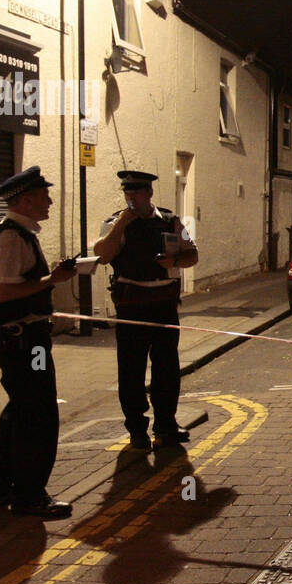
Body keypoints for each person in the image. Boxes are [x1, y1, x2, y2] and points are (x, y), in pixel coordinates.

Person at [0, 166, 74, 519]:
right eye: (44, 195)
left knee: (19, 411)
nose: (50, 201)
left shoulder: (20, 234)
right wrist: (53, 279)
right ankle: (29, 496)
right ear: (25, 199)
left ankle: (0, 488)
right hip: (23, 342)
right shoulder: (10, 238)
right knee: (38, 414)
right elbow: (3, 292)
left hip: (24, 339)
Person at [93, 170, 198, 451]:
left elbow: (193, 253)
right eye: (127, 193)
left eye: (136, 193)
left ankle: (166, 423)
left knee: (167, 369)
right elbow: (102, 255)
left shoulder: (172, 221)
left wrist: (175, 259)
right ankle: (137, 429)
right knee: (131, 371)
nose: (130, 198)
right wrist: (122, 224)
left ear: (149, 193)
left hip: (163, 305)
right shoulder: (114, 223)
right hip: (132, 307)